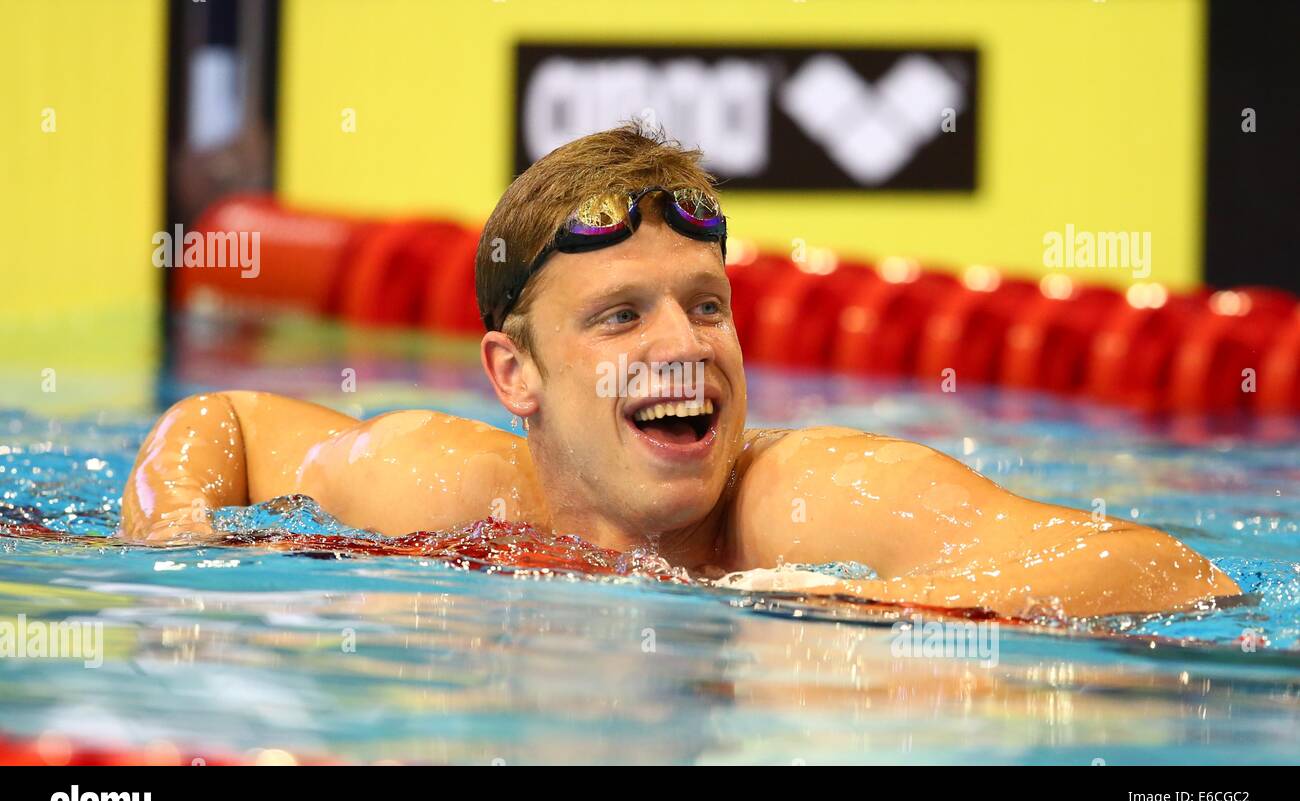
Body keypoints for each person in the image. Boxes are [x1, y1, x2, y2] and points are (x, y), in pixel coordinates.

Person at [120, 124, 1239, 618]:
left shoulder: (806, 502)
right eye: (619, 315)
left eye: (707, 305)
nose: (686, 343)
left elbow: (1168, 571)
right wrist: (172, 539)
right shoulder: (443, 486)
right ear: (515, 374)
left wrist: (856, 609)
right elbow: (223, 417)